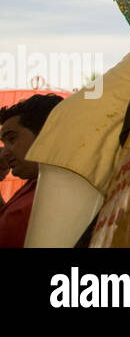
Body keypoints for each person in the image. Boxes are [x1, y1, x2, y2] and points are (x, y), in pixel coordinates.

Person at [0, 95, 64, 248]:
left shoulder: (62, 191)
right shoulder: (37, 181)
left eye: (12, 139)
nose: (4, 153)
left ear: (45, 134)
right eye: (4, 143)